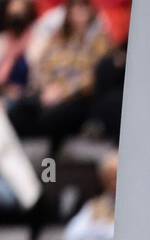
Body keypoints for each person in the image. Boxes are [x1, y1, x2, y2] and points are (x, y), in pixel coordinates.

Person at [5, 0, 110, 141]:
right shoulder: (59, 36)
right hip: (48, 92)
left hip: (77, 98)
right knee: (16, 113)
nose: (78, 13)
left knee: (52, 118)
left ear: (91, 10)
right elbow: (43, 63)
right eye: (74, 8)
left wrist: (64, 91)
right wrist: (48, 87)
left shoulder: (99, 40)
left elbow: (95, 74)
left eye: (82, 8)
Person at [62, 148, 115, 240]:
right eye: (109, 179)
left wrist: (99, 228)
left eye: (116, 177)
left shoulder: (135, 205)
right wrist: (101, 230)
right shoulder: (96, 205)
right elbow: (70, 236)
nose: (113, 183)